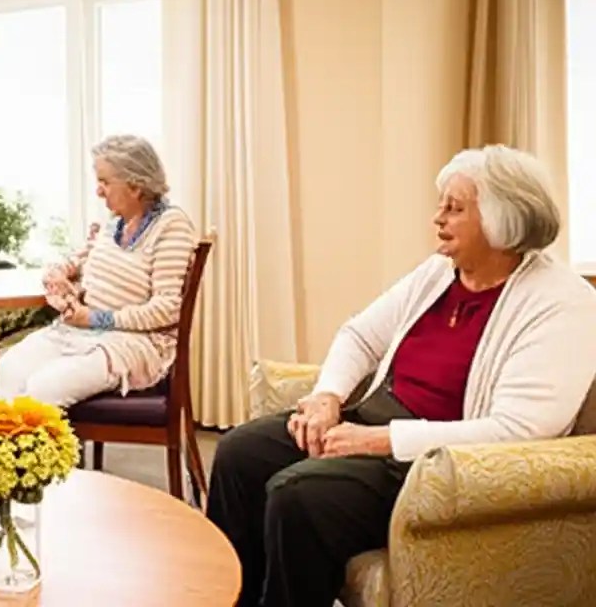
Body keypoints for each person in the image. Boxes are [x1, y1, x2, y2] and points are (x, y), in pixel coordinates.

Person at [206, 144, 596, 607]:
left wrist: (379, 441)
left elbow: (520, 430)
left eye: (454, 208)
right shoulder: (438, 272)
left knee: (296, 497)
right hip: (375, 419)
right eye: (441, 205)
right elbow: (361, 335)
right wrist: (327, 396)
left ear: (502, 222)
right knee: (239, 453)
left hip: (432, 461)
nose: (438, 218)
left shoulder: (561, 304)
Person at [0, 134, 197, 406]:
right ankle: (8, 447)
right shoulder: (115, 222)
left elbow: (167, 307)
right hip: (78, 331)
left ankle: (31, 447)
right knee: (10, 367)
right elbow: (80, 258)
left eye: (104, 182)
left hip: (131, 342)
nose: (98, 191)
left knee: (44, 387)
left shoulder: (171, 225)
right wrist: (59, 272)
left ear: (135, 186)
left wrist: (96, 319)